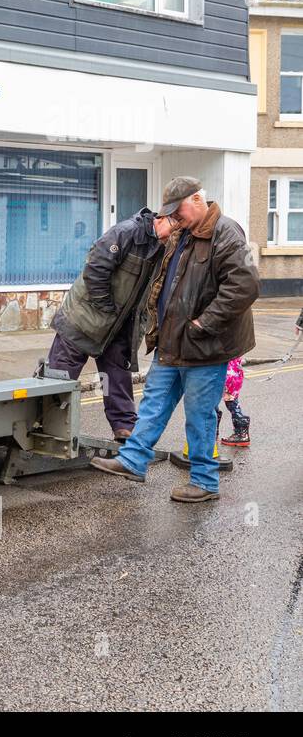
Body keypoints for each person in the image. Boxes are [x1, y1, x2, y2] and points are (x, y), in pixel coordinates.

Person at [90, 178, 260, 503]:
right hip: (171, 340)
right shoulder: (182, 234)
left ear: (197, 198)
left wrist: (202, 324)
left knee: (199, 415)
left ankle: (205, 482)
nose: (175, 217)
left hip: (206, 345)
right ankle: (133, 461)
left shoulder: (226, 231)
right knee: (153, 403)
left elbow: (245, 285)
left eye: (178, 209)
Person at [47, 208, 175, 440]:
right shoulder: (127, 232)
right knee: (60, 377)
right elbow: (95, 268)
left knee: (116, 377)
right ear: (163, 218)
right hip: (83, 320)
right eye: (174, 229)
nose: (172, 237)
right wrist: (105, 308)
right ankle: (45, 423)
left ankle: (124, 427)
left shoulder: (163, 246)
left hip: (117, 327)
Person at [220, 357, 249, 447]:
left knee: (231, 403)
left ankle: (241, 434)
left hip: (229, 373)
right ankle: (241, 434)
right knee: (232, 403)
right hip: (234, 372)